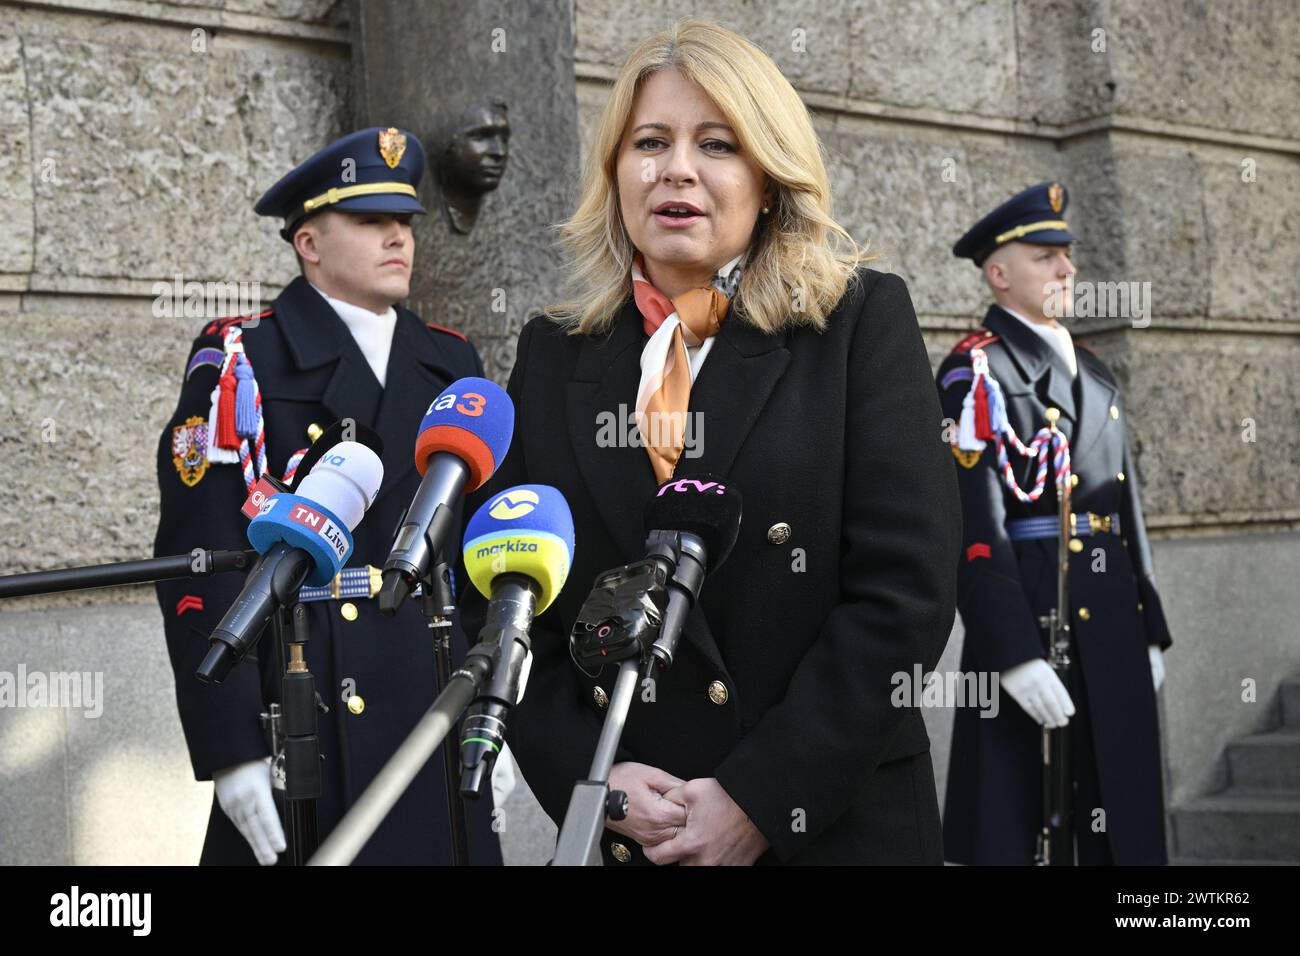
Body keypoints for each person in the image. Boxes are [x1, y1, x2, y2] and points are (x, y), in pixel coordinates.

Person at [459, 20, 960, 865]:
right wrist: (597, 780)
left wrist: (760, 799)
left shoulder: (857, 322)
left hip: (830, 825)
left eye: (717, 144)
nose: (676, 168)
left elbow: (906, 596)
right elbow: (503, 603)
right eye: (649, 142)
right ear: (616, 172)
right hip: (636, 838)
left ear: (767, 178)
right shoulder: (556, 351)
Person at [153, 127, 503, 865]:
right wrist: (231, 747)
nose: (397, 239)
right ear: (308, 242)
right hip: (303, 701)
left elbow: (479, 561)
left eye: (404, 222)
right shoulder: (244, 360)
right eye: (371, 222)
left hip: (431, 695)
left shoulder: (449, 359)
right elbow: (200, 566)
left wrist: (485, 715)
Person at [937, 181, 1172, 865]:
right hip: (1034, 622)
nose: (1068, 270)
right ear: (999, 273)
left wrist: (1149, 626)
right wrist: (1010, 653)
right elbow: (973, 529)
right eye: (1046, 256)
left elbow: (1126, 511)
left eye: (1067, 255)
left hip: (1115, 620)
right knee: (1024, 824)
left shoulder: (1095, 374)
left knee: (1123, 826)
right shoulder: (976, 370)